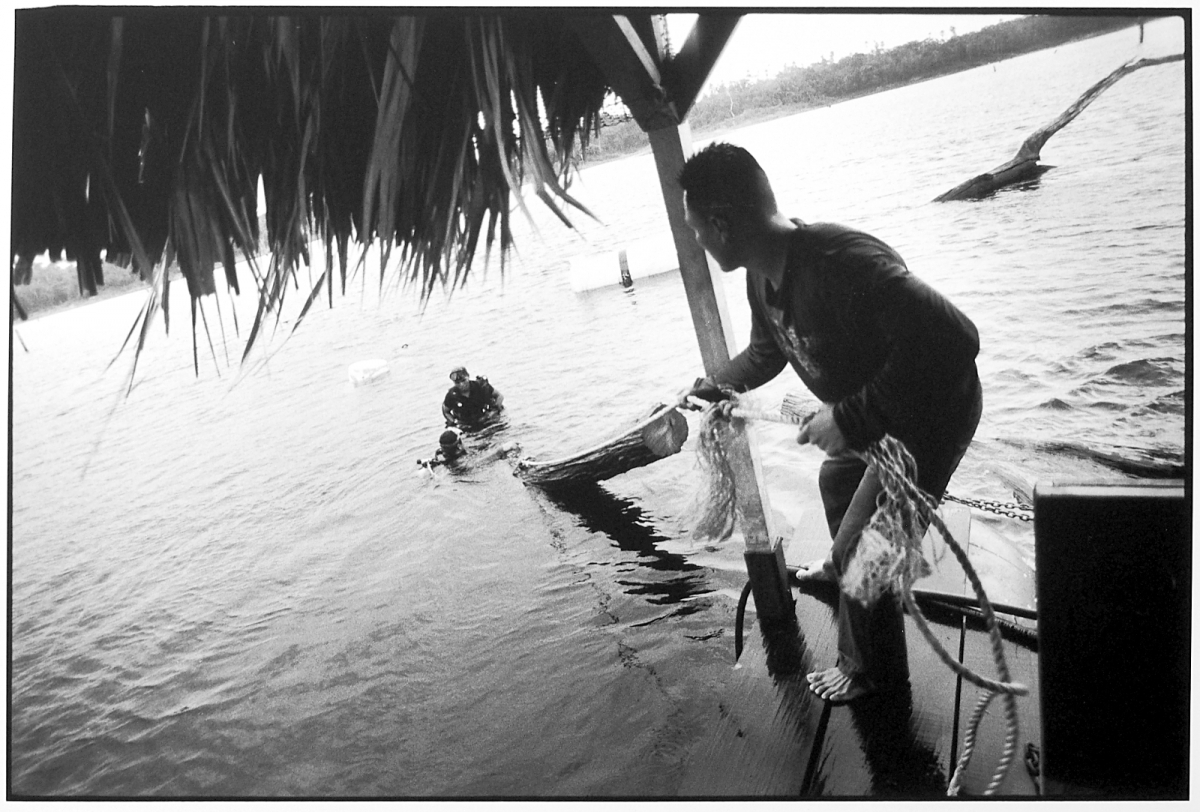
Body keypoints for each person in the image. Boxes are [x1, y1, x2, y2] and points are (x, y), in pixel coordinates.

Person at [679, 142, 982, 704]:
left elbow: (957, 339)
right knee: (836, 480)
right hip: (880, 421)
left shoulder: (842, 263)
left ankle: (870, 672)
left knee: (865, 557)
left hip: (933, 417)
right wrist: (715, 385)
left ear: (720, 225)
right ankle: (849, 576)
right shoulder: (761, 277)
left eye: (696, 230)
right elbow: (768, 351)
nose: (697, 241)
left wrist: (849, 416)